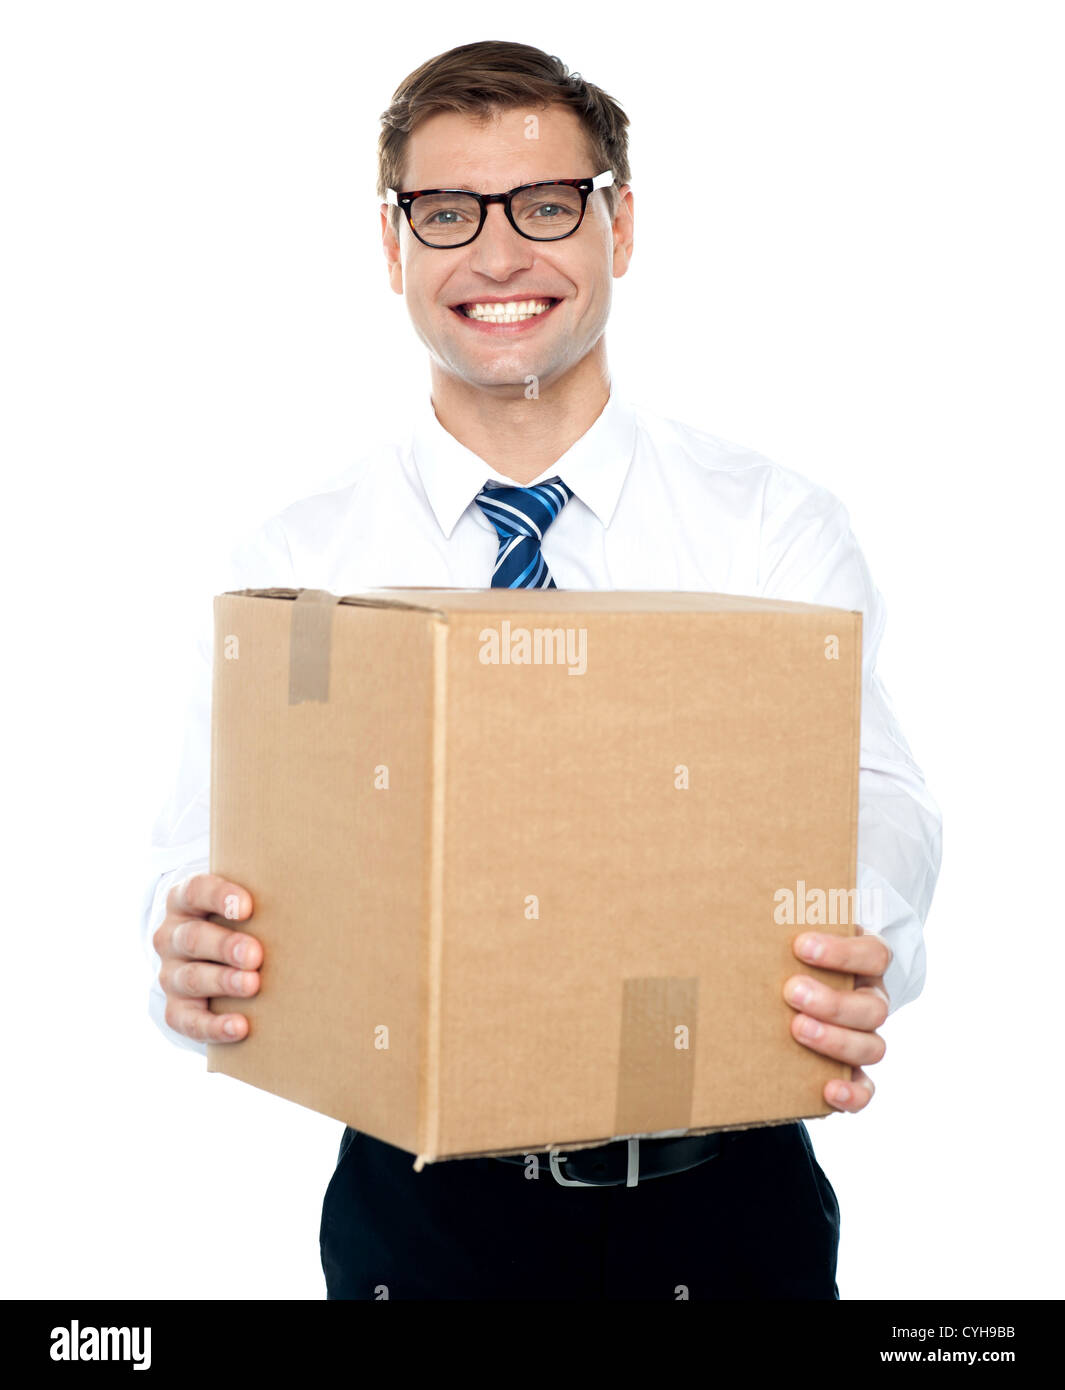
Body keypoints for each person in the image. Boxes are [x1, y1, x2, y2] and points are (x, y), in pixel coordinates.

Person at [143, 39, 942, 1300]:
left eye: (548, 205)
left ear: (619, 228)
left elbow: (880, 798)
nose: (500, 255)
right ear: (393, 247)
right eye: (448, 211)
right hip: (419, 1220)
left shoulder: (769, 527)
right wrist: (180, 942)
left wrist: (856, 938)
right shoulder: (297, 569)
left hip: (722, 1201)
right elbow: (201, 850)